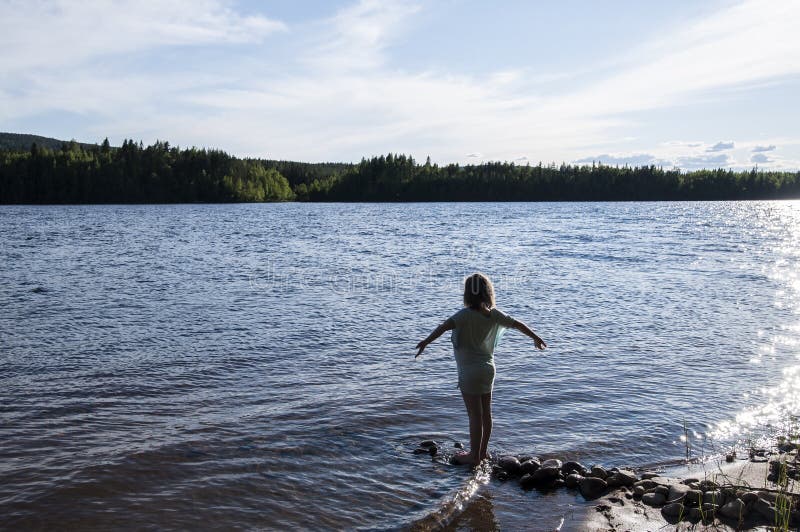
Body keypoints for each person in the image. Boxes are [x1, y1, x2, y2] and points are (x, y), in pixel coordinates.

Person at [415, 273, 546, 466]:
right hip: (488, 369)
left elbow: (443, 327)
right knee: (486, 414)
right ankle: (482, 452)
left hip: (469, 373)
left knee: (474, 416)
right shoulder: (494, 314)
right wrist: (536, 337)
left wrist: (426, 342)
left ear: (468, 294)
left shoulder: (463, 315)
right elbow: (517, 324)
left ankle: (474, 456)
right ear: (488, 292)